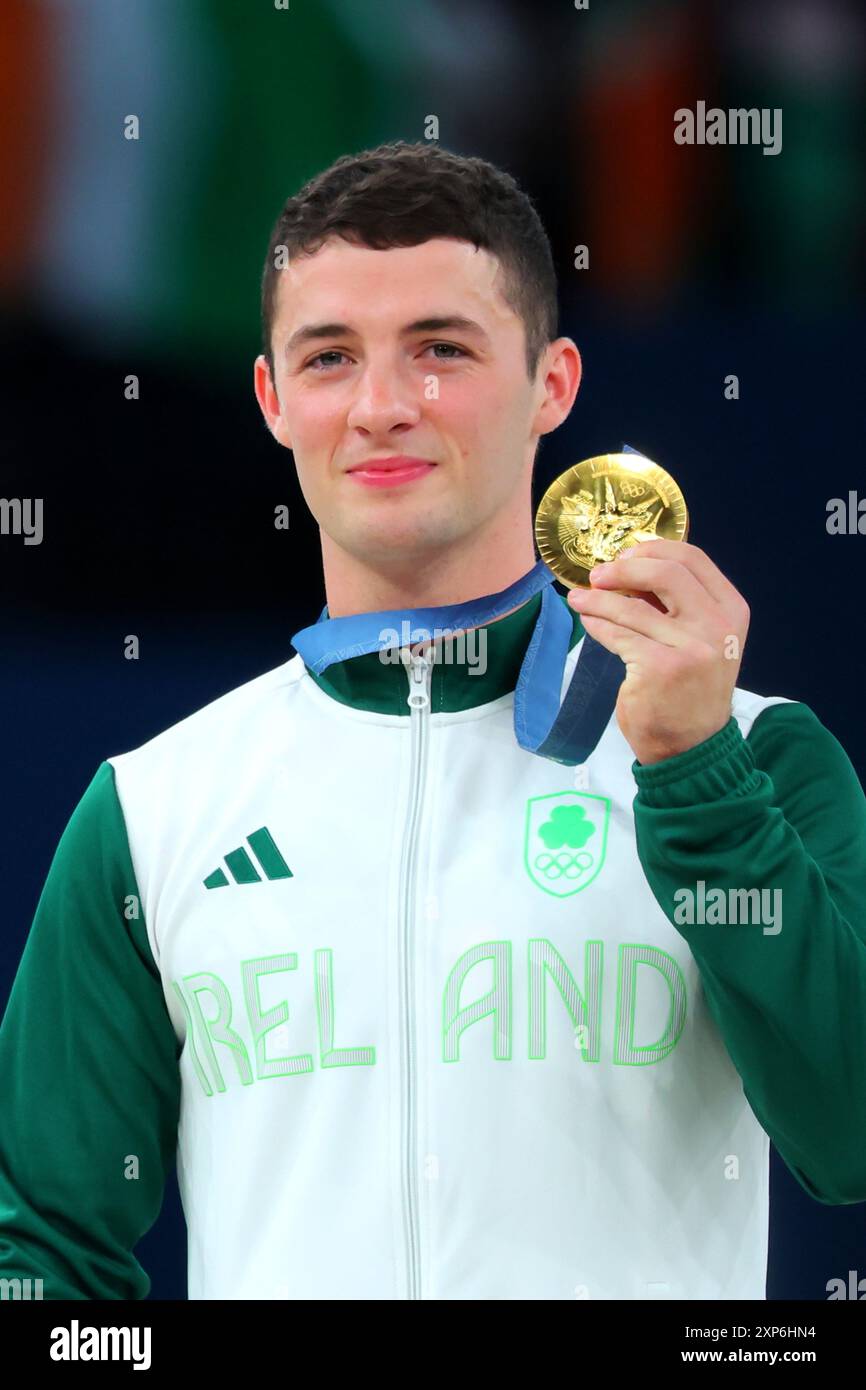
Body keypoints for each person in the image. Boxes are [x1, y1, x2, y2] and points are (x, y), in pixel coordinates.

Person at [2, 140, 865, 1302]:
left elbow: (848, 1140)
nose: (379, 407)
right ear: (270, 399)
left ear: (550, 384)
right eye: (329, 358)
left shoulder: (753, 755)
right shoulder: (152, 809)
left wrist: (694, 773)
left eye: (440, 352)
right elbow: (42, 1246)